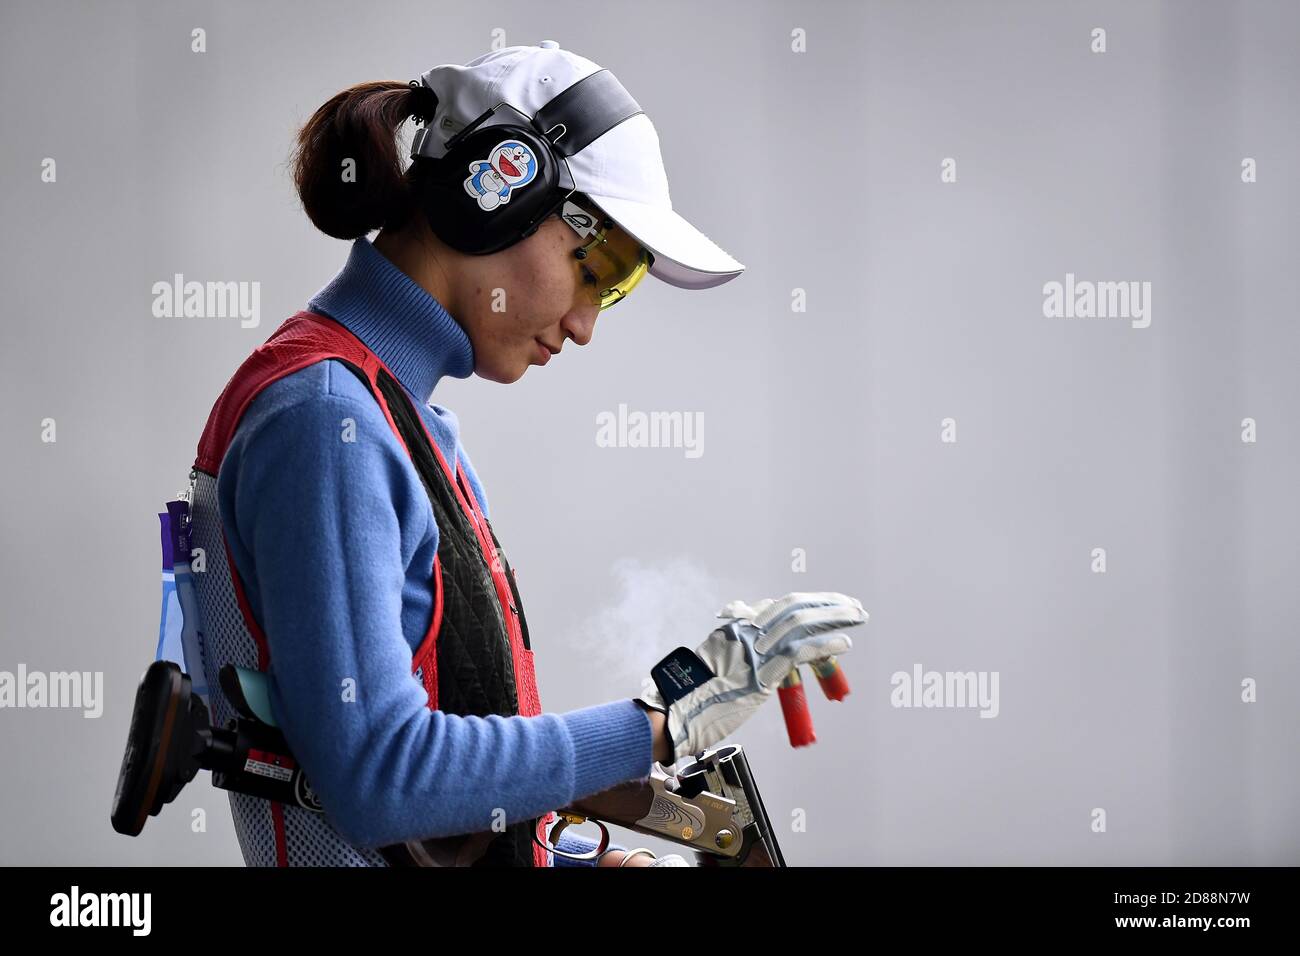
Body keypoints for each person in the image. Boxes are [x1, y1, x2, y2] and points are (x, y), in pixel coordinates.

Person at [187, 40, 866, 867]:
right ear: (498, 188)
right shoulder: (330, 421)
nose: (586, 323)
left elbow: (443, 783)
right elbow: (379, 777)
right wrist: (667, 721)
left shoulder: (391, 416)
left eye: (616, 286)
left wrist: (573, 861)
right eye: (601, 266)